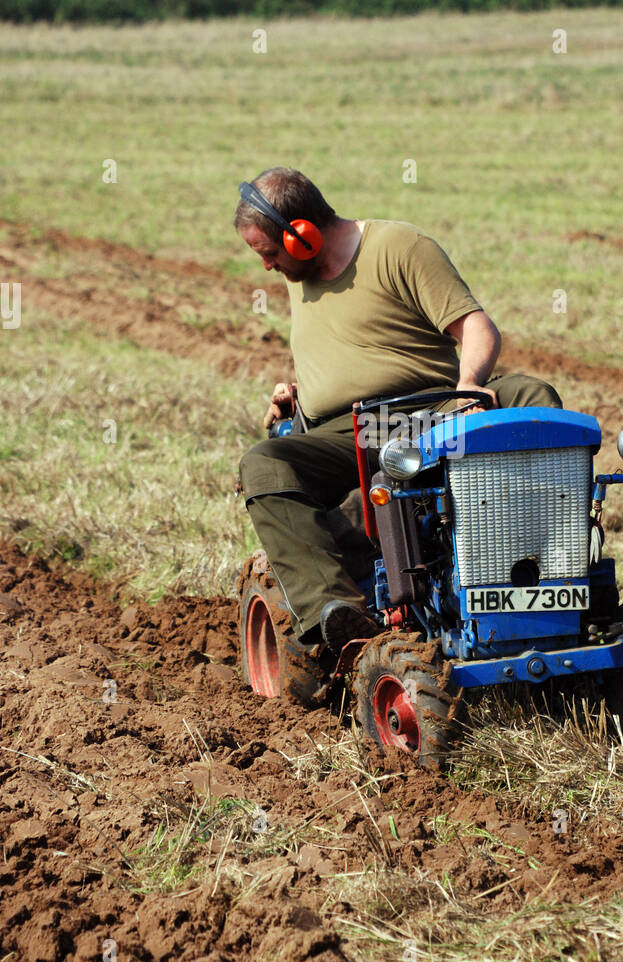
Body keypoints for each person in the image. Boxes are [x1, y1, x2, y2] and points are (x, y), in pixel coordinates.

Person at [235, 167, 562, 654]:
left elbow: (476, 327)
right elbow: (354, 349)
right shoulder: (297, 271)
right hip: (353, 435)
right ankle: (339, 615)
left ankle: (553, 567)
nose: (266, 267)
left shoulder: (399, 247)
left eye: (268, 253)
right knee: (263, 462)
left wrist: (470, 387)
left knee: (532, 396)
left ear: (301, 235)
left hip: (433, 417)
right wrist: (298, 396)